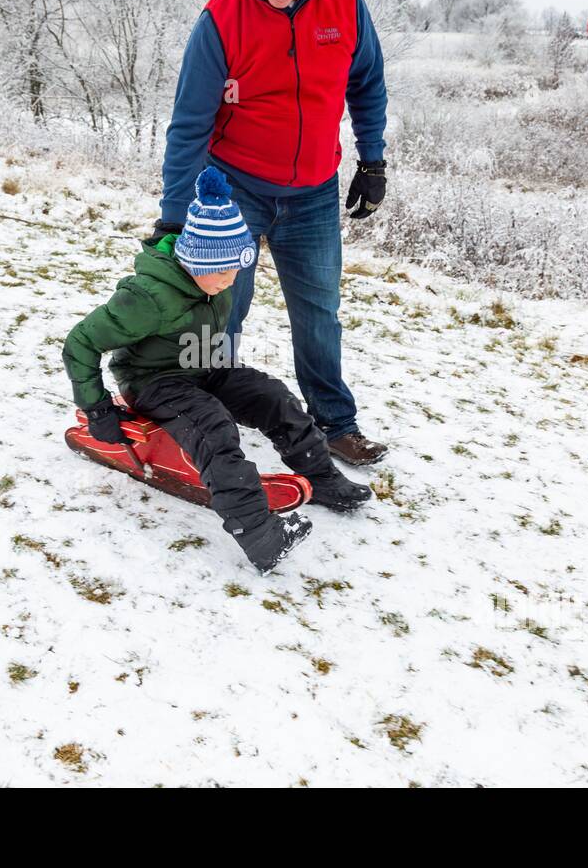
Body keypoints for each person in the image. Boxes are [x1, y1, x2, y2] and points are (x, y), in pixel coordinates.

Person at [155, 0, 390, 466]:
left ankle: (335, 423)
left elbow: (368, 81)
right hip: (233, 187)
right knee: (221, 308)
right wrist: (173, 218)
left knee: (319, 310)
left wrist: (373, 160)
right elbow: (189, 126)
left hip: (313, 190)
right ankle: (203, 412)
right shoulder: (221, 20)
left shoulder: (345, 1)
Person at [64, 167, 372, 573]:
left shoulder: (213, 282)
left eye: (236, 271)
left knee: (273, 396)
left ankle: (322, 476)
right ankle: (259, 534)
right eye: (222, 271)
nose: (230, 281)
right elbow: (80, 343)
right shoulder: (147, 298)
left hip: (204, 363)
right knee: (214, 426)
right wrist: (98, 407)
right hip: (154, 381)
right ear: (194, 259)